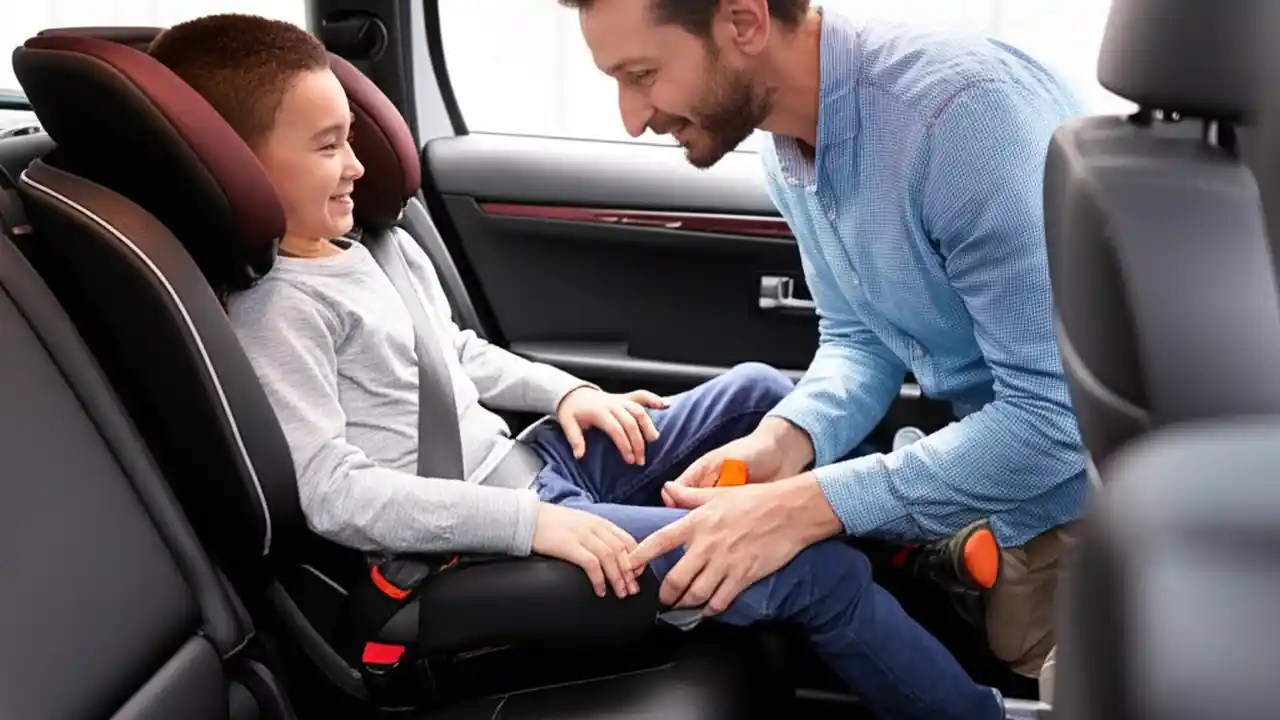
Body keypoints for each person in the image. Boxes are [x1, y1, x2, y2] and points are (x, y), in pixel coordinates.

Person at [148, 13, 1006, 718]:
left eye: (350, 138)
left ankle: (892, 540)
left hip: (536, 465)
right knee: (808, 573)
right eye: (327, 147)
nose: (359, 165)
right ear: (238, 166)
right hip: (472, 545)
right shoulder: (278, 311)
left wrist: (570, 392)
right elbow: (335, 492)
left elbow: (455, 352)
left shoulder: (368, 245)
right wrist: (538, 528)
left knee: (759, 393)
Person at [560, 0, 1089, 684]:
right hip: (1007, 454)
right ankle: (955, 544)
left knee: (1021, 649)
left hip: (1109, 483)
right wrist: (785, 442)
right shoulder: (792, 149)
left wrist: (801, 508)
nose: (632, 117)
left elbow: (1054, 420)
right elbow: (860, 336)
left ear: (744, 23)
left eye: (642, 74)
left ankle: (966, 547)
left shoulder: (958, 120)